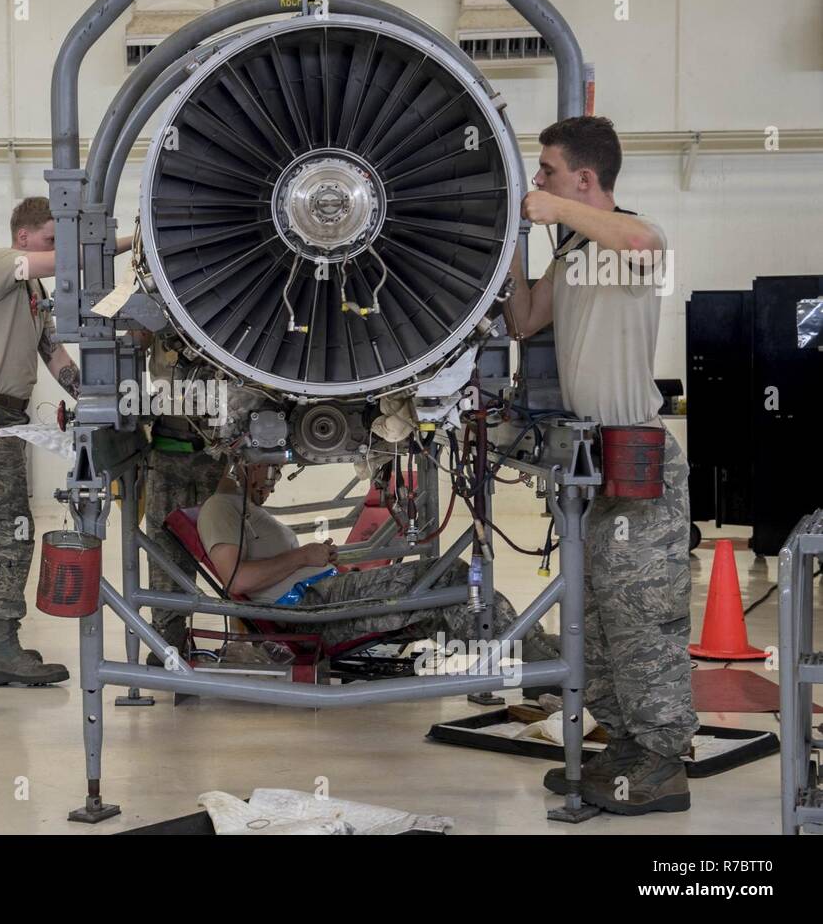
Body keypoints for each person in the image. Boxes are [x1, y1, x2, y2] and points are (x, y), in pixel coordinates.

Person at [502, 115, 695, 816]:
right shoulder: (577, 252)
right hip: (590, 463)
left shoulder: (635, 238)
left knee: (644, 616)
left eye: (548, 172)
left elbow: (642, 242)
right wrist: (512, 253)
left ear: (585, 180)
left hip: (638, 454)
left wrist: (553, 211)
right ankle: (624, 746)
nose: (539, 184)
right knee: (600, 616)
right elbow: (526, 320)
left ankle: (663, 761)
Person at [0, 196, 132, 685]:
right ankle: (2, 647)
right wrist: (135, 243)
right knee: (12, 528)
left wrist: (93, 396)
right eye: (51, 239)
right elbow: (72, 258)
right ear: (24, 235)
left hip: (1, 414)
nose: (58, 249)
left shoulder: (31, 288)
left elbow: (52, 352)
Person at [196, 461, 561, 663]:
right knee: (448, 575)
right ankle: (537, 653)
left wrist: (313, 559)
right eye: (270, 470)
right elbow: (236, 582)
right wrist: (303, 556)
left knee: (441, 609)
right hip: (312, 609)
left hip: (322, 595)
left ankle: (534, 650)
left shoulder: (244, 511)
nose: (274, 482)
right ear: (245, 464)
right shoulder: (219, 509)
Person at [134, 331, 225, 663]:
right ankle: (167, 642)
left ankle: (253, 635)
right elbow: (132, 343)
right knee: (166, 552)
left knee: (231, 545)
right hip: (167, 449)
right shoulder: (156, 306)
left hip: (217, 449)